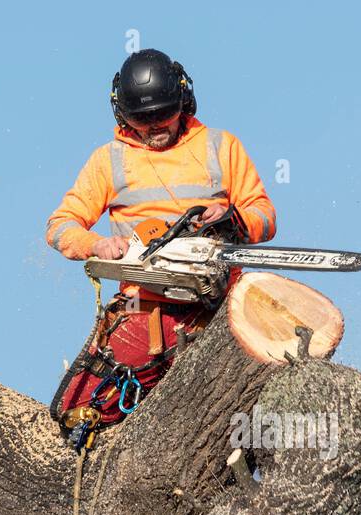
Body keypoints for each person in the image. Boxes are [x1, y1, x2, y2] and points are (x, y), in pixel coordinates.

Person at [45, 48, 277, 435]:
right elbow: (59, 226)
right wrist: (95, 245)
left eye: (163, 114)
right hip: (145, 308)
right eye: (142, 118)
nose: (154, 126)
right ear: (123, 114)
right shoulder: (110, 160)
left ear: (182, 101)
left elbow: (265, 215)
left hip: (220, 307)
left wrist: (233, 221)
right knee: (77, 412)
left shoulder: (221, 146)